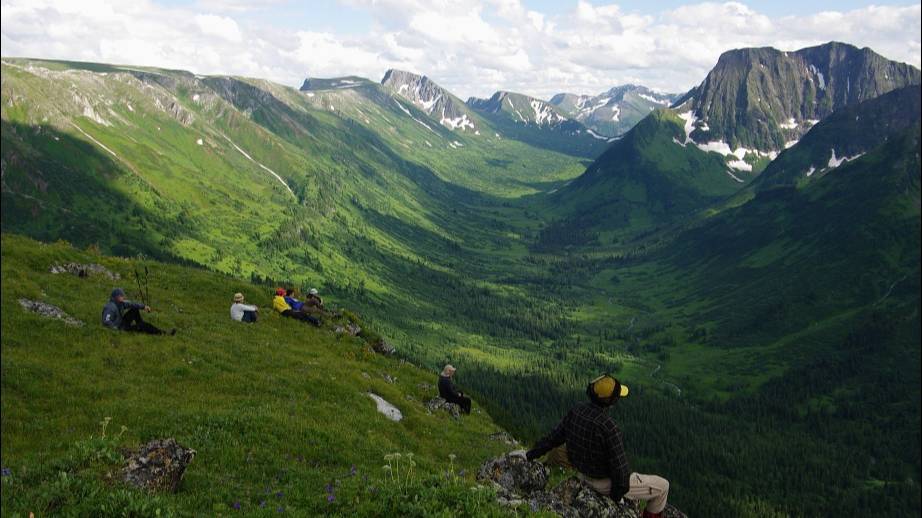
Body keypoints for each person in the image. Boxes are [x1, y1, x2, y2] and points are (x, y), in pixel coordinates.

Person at [510, 375, 669, 518]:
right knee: (662, 487)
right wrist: (616, 501)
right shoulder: (609, 427)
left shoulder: (576, 411)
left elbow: (552, 439)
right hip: (603, 484)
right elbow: (620, 475)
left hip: (582, 475)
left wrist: (528, 455)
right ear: (612, 402)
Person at [101, 287, 175, 335]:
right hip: (121, 328)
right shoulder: (110, 307)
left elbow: (132, 304)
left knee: (135, 310)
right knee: (144, 326)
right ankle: (163, 333)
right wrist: (117, 330)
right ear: (116, 297)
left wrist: (144, 307)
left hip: (122, 323)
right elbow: (106, 321)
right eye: (121, 296)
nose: (123, 297)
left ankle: (140, 325)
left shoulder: (120, 303)